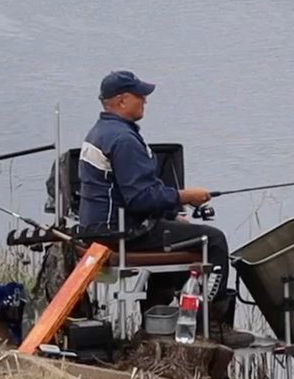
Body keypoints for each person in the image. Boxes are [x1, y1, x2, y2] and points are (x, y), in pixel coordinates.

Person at [79, 70, 252, 348]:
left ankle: (154, 322)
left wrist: (172, 211)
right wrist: (186, 195)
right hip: (122, 233)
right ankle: (215, 326)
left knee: (179, 233)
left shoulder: (102, 132)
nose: (145, 101)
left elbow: (134, 194)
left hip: (102, 227)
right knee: (214, 240)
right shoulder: (123, 140)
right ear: (122, 100)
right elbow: (141, 199)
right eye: (140, 96)